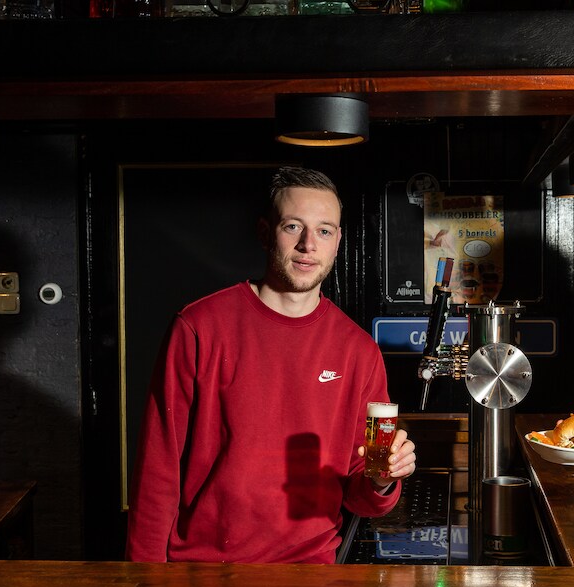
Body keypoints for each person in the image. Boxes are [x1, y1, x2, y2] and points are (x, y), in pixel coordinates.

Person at [126, 166, 417, 564]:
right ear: (265, 233)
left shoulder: (358, 350)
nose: (308, 245)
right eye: (293, 227)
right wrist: (144, 586)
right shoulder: (199, 328)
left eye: (325, 231)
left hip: (310, 574)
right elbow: (157, 469)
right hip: (203, 571)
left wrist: (383, 479)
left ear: (337, 244)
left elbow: (360, 494)